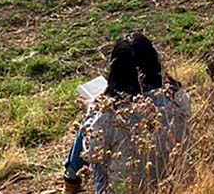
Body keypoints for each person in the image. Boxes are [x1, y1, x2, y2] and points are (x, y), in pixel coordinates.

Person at [63, 33, 191, 194]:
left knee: (87, 129)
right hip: (177, 184)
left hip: (125, 188)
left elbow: (91, 151)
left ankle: (71, 181)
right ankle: (71, 181)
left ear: (116, 70)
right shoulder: (179, 97)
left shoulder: (111, 115)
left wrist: (92, 110)